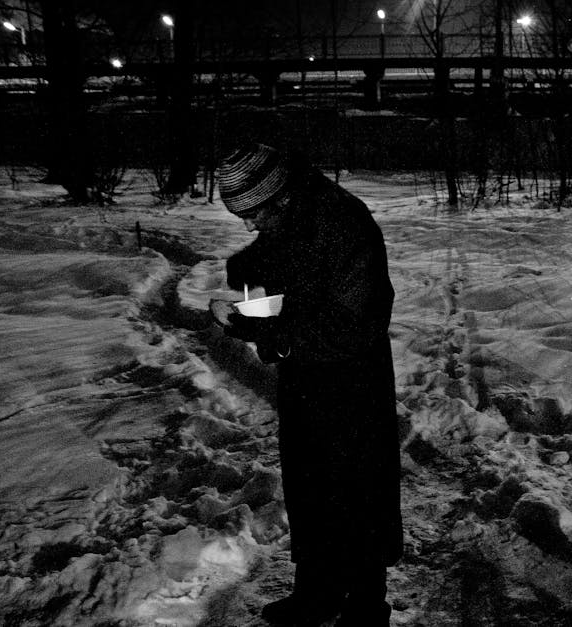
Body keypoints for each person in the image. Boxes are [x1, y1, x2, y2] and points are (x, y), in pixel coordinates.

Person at [208, 143, 403, 626]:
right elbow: (275, 255)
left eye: (252, 213)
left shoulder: (342, 222)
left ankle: (365, 605)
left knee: (355, 492)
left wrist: (263, 331)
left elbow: (356, 324)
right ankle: (317, 593)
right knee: (312, 488)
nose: (250, 225)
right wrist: (247, 275)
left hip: (352, 382)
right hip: (309, 379)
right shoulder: (296, 212)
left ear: (279, 197)